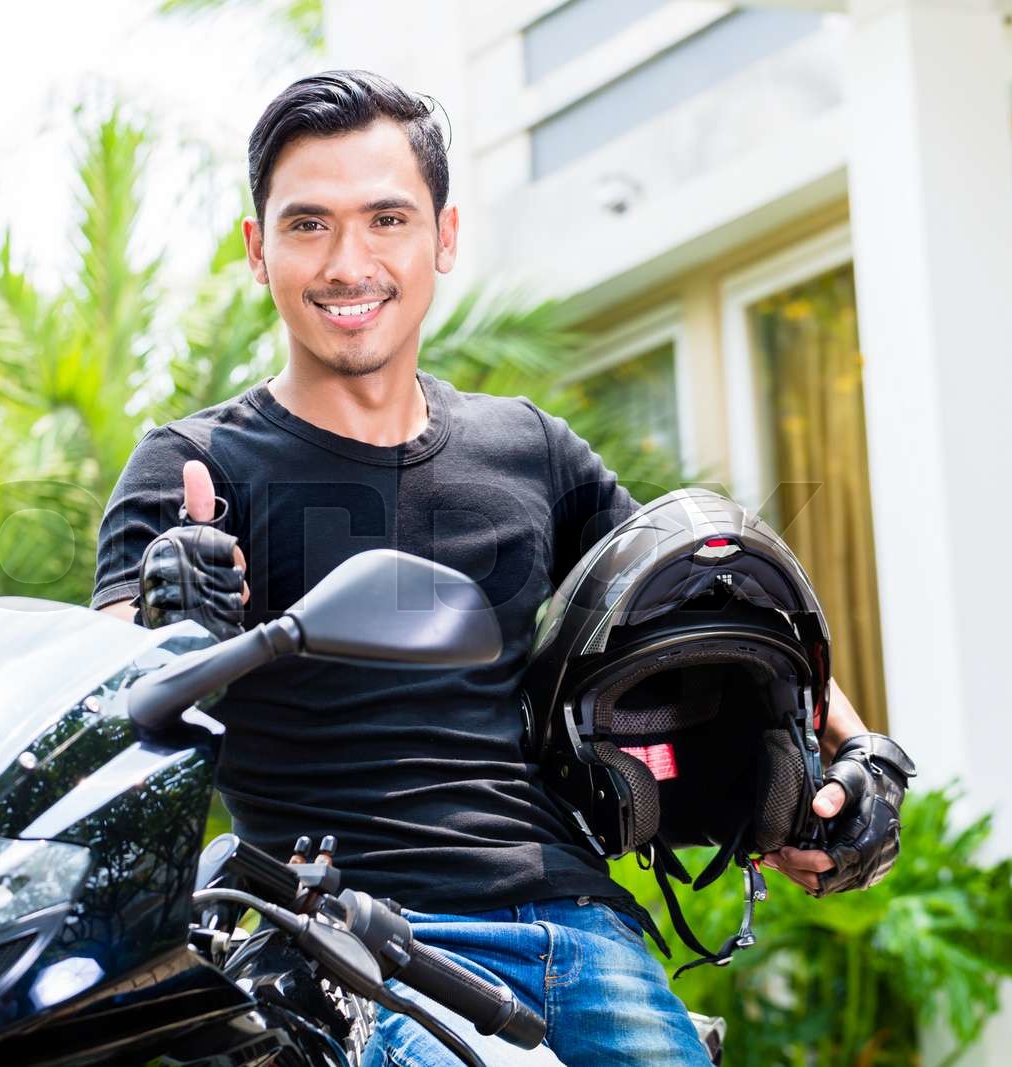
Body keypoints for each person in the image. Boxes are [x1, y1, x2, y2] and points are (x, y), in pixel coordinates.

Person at [92, 70, 910, 1066]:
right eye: (308, 225)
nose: (348, 262)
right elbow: (96, 707)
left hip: (575, 921)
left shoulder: (528, 447)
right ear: (257, 249)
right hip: (344, 936)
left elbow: (715, 601)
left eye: (385, 219)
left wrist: (858, 761)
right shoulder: (194, 465)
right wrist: (167, 617)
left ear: (442, 236)